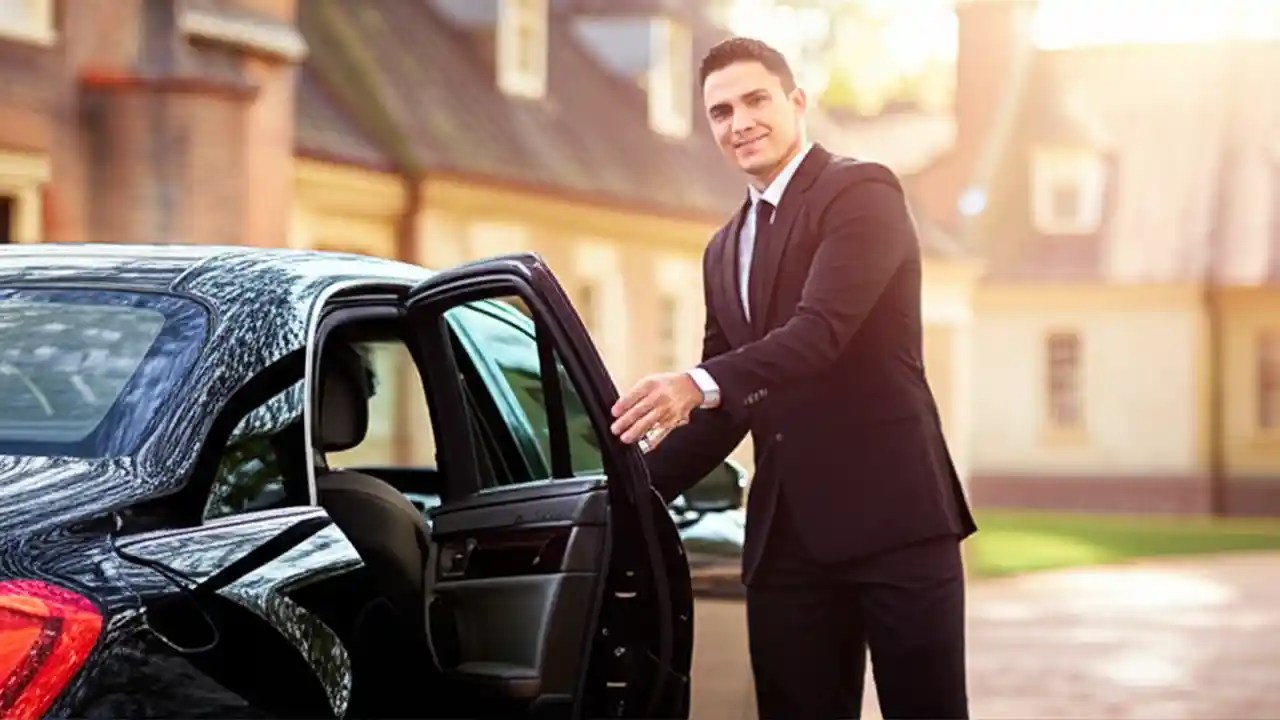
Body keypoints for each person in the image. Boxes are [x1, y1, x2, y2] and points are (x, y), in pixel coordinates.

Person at [608, 37, 978, 719]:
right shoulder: (723, 249)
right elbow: (729, 404)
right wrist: (623, 490)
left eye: (756, 100)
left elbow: (820, 334)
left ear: (796, 102)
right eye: (720, 112)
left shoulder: (860, 191)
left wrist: (693, 380)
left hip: (896, 522)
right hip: (788, 547)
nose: (739, 122)